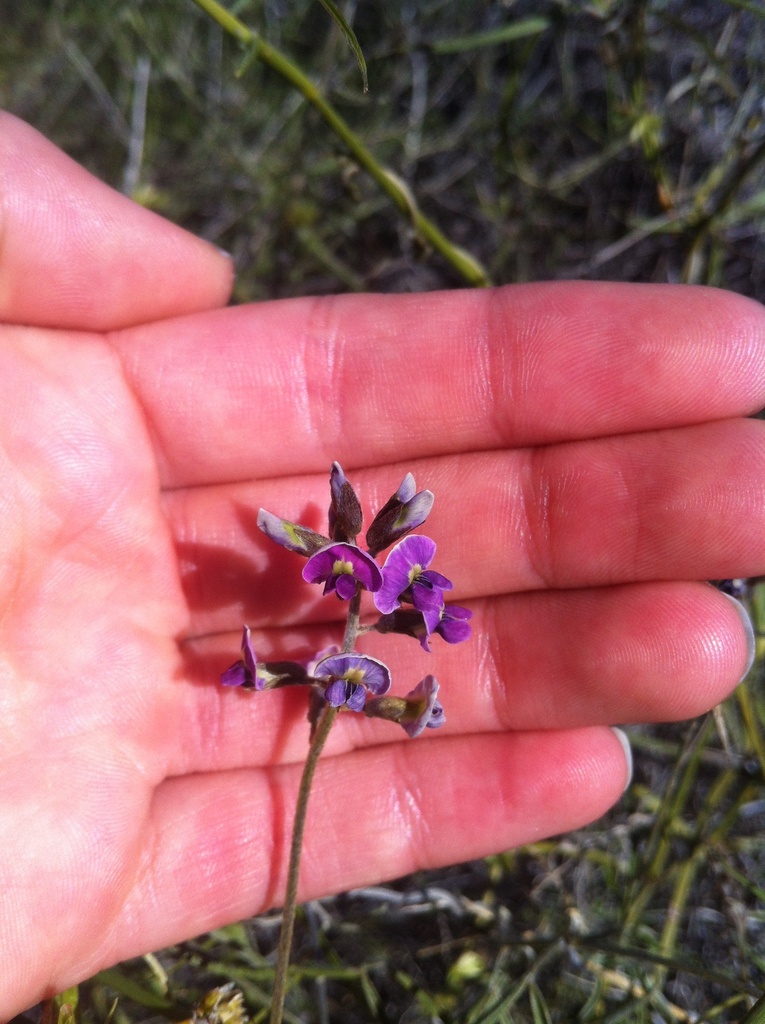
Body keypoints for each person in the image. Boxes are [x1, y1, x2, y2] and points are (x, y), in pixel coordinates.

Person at [0, 109, 762, 1017]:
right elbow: (352, 611)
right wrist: (330, 610)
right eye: (354, 580)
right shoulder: (351, 593)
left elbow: (387, 609)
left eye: (360, 580)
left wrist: (371, 629)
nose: (354, 589)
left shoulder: (382, 601)